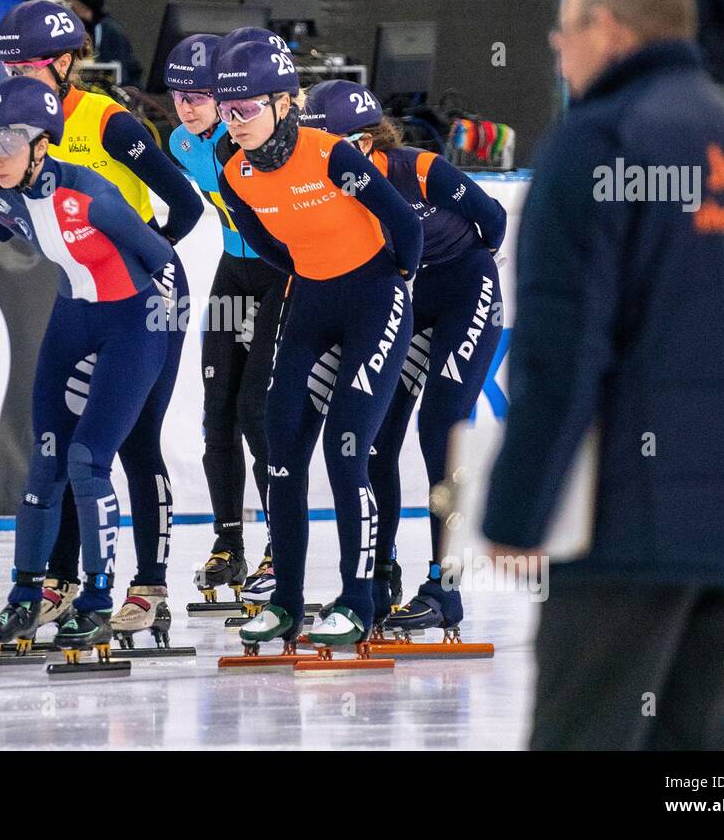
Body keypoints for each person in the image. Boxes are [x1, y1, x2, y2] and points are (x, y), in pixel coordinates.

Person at [481, 0, 724, 749]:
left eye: (563, 35)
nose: (560, 54)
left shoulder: (599, 140)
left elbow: (561, 350)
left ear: (607, 28)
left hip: (625, 527)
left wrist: (516, 512)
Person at [0, 0, 204, 642]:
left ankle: (150, 586)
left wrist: (141, 256)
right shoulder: (15, 125)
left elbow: (185, 203)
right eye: (6, 67)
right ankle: (59, 582)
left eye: (24, 66)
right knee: (67, 445)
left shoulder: (106, 121)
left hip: (146, 292)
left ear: (62, 63)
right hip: (83, 297)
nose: (13, 79)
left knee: (130, 442)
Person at [215, 37, 424, 649]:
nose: (234, 122)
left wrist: (395, 280)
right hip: (307, 305)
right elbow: (267, 245)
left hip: (374, 302)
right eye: (227, 111)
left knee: (346, 449)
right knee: (281, 452)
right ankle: (285, 603)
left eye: (245, 109)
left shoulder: (332, 155)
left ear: (283, 103)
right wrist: (311, 273)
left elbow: (404, 223)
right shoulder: (235, 173)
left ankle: (359, 598)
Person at [0, 76, 176, 654]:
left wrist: (161, 337)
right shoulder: (2, 196)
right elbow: (2, 222)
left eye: (5, 145)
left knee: (90, 461)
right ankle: (25, 595)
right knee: (44, 460)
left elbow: (160, 257)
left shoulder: (94, 197)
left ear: (43, 143)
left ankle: (96, 601)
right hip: (72, 319)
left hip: (133, 323)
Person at [301, 79, 507, 638]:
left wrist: (465, 267)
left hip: (465, 285)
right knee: (377, 433)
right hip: (410, 295)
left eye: (334, 146)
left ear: (367, 144)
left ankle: (446, 586)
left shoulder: (419, 169)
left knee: (441, 428)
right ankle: (379, 571)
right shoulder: (327, 186)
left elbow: (493, 222)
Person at [163, 33, 289, 605]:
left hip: (279, 278)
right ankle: (228, 544)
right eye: (178, 95)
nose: (187, 106)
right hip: (233, 273)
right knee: (217, 415)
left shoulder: (252, 141)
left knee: (255, 412)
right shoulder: (183, 145)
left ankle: (277, 545)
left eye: (201, 95)